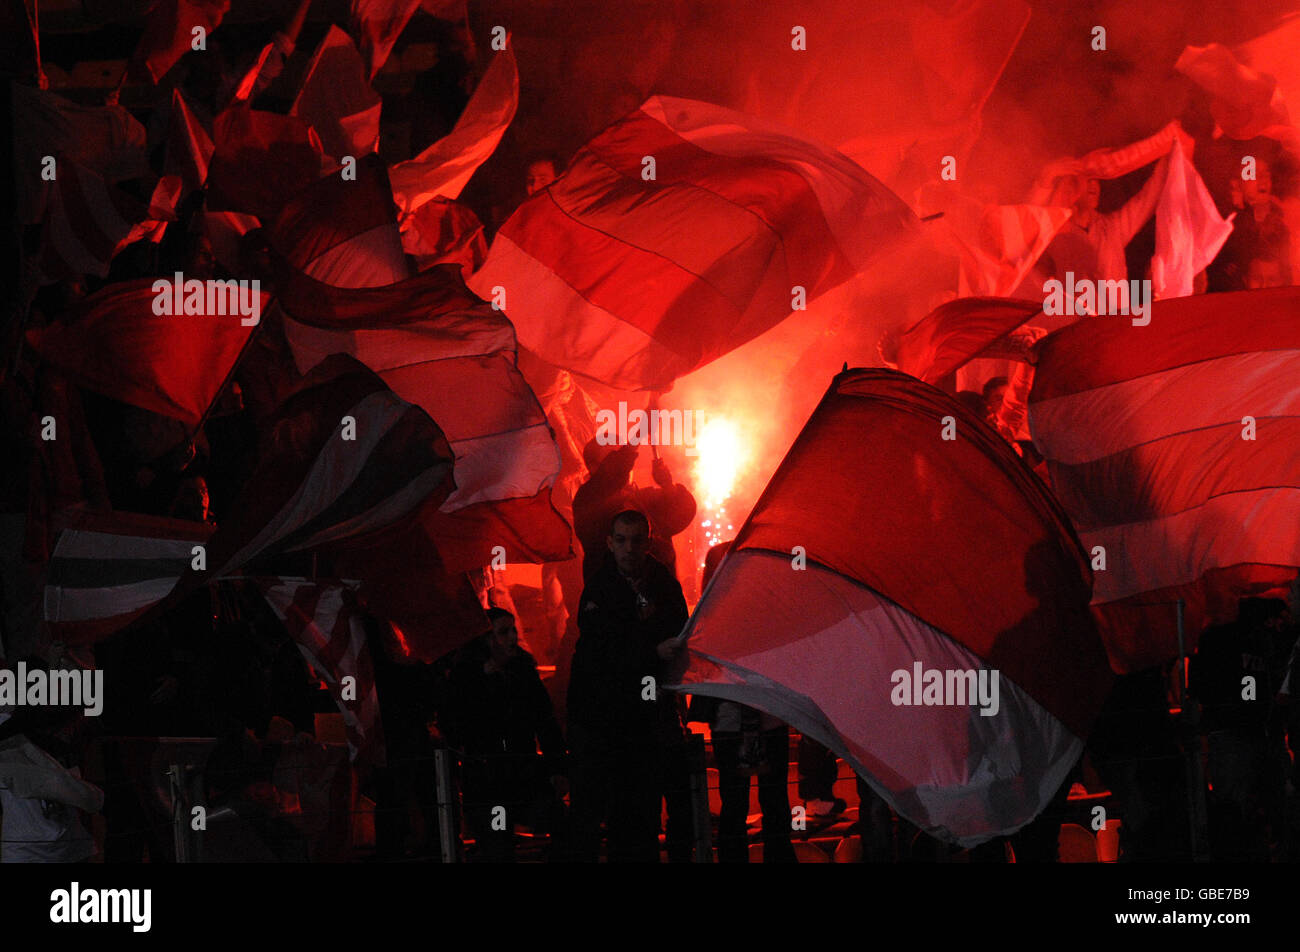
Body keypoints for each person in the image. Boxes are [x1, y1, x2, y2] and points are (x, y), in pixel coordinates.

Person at [566, 510, 688, 861]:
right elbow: (600, 655)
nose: (628, 548)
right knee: (602, 816)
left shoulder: (663, 584)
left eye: (636, 540)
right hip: (604, 723)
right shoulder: (599, 589)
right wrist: (652, 652)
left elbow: (680, 634)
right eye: (621, 540)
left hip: (647, 722)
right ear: (609, 542)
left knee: (643, 816)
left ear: (648, 543)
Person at [691, 541, 796, 862]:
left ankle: (769, 855)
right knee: (740, 803)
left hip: (761, 717)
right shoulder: (711, 618)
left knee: (769, 801)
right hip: (740, 720)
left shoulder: (763, 614)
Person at [442, 608, 568, 861]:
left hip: (524, 773)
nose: (512, 637)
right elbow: (455, 726)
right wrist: (482, 685)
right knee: (498, 845)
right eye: (503, 632)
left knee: (565, 826)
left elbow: (545, 722)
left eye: (513, 630)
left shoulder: (523, 672)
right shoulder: (464, 677)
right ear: (485, 639)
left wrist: (557, 768)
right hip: (487, 780)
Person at [573, 440, 696, 582]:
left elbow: (683, 512)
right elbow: (616, 469)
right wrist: (641, 429)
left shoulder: (640, 500)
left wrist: (667, 485)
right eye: (612, 455)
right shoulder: (588, 500)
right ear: (594, 467)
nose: (626, 462)